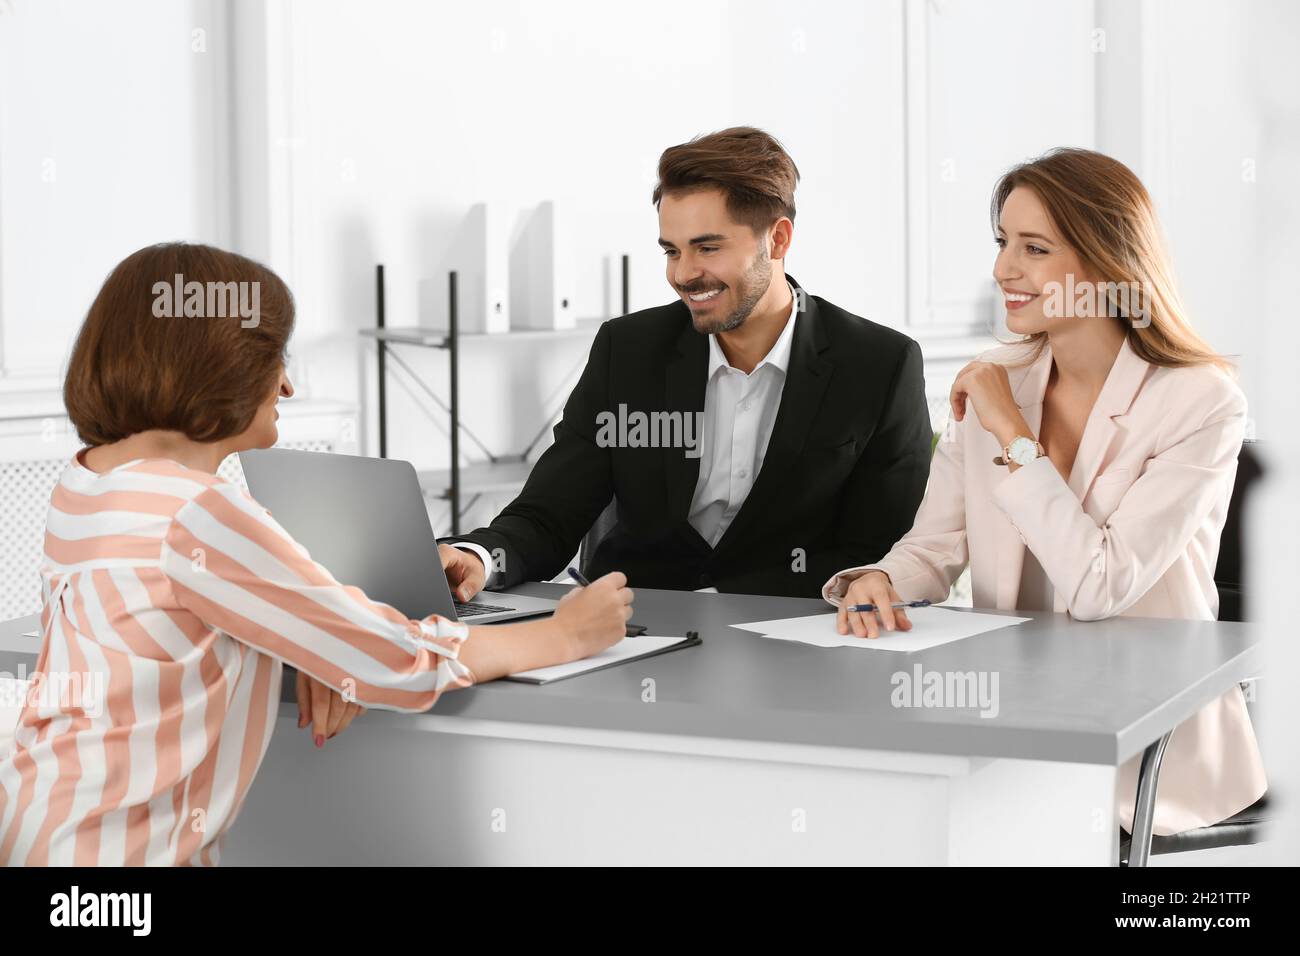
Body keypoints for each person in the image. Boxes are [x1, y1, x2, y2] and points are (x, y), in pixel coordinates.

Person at [0, 242, 632, 866]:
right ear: (217, 363)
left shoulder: (87, 481)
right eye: (275, 356)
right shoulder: (203, 515)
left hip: (37, 829)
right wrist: (565, 636)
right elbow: (395, 658)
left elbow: (163, 631)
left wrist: (311, 650)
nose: (287, 383)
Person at [823, 148, 1266, 837]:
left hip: (1141, 748)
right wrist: (883, 577)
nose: (1004, 269)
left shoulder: (1200, 402)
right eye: (1003, 242)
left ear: (1105, 265)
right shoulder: (1000, 376)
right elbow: (936, 546)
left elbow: (1099, 586)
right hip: (1010, 717)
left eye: (1034, 248)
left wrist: (1009, 432)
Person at [441, 127, 933, 600]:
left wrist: (725, 603)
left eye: (708, 247)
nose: (682, 274)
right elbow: (550, 512)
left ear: (777, 240)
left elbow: (880, 552)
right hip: (634, 631)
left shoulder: (878, 365)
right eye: (671, 251)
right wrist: (482, 557)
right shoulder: (628, 350)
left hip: (793, 636)